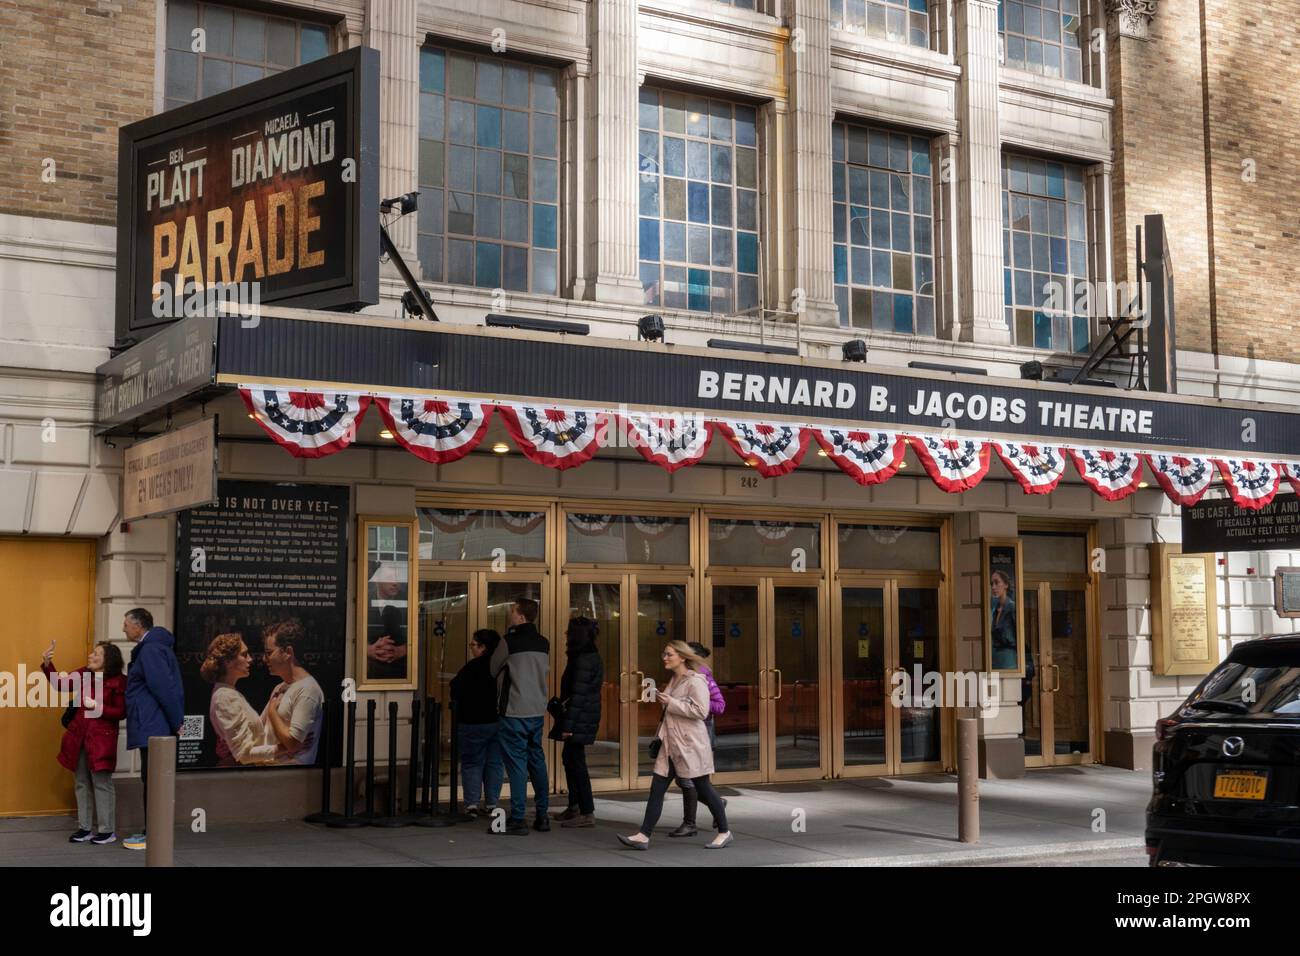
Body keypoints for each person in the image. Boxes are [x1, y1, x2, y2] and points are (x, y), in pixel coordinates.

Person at [619, 641, 733, 850]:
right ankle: (643, 835)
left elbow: (701, 711)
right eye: (664, 653)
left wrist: (671, 702)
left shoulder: (695, 680)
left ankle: (724, 832)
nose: (664, 657)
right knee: (657, 789)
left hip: (690, 744)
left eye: (669, 654)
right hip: (671, 743)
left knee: (703, 788)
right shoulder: (675, 679)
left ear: (681, 657)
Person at [41, 640, 127, 845]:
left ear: (108, 660)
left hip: (101, 740)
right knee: (81, 782)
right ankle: (85, 827)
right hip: (78, 738)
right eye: (92, 653)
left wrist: (98, 705)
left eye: (97, 654)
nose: (91, 656)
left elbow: (121, 712)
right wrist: (47, 663)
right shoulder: (84, 674)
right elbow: (59, 684)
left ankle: (107, 831)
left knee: (101, 783)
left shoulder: (120, 681)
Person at [122, 608, 184, 852]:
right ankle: (152, 832)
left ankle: (153, 834)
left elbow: (163, 688)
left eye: (126, 624)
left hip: (154, 727)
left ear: (139, 626)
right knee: (152, 780)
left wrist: (177, 721)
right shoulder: (154, 648)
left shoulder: (150, 650)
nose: (124, 629)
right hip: (155, 723)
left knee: (153, 781)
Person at [489, 597, 550, 835]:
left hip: (513, 710)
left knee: (516, 765)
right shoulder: (543, 642)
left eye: (512, 611)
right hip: (536, 709)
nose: (509, 614)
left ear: (521, 616)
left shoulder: (509, 641)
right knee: (537, 761)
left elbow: (493, 669)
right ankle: (542, 816)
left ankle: (518, 817)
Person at [666, 640, 727, 838]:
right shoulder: (679, 677)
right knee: (688, 779)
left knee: (689, 779)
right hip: (682, 730)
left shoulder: (702, 678)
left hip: (700, 731)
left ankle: (690, 822)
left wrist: (696, 703)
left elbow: (719, 705)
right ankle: (715, 802)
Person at [548, 617, 603, 829]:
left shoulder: (583, 659)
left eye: (568, 631)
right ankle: (575, 806)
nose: (565, 635)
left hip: (579, 718)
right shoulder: (588, 656)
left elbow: (578, 695)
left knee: (576, 763)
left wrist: (568, 726)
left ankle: (586, 811)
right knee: (570, 759)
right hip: (581, 716)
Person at [450, 629, 504, 817]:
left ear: (483, 647)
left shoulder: (472, 667)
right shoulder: (500, 667)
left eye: (473, 645)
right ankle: (492, 804)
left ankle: (472, 804)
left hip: (471, 722)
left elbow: (455, 689)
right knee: (494, 763)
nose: (471, 648)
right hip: (496, 722)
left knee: (472, 763)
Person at [201, 633, 278, 767]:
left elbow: (252, 730)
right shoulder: (224, 697)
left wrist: (272, 706)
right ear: (228, 661)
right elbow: (244, 754)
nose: (250, 659)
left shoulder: (229, 692)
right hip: (241, 777)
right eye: (244, 654)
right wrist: (285, 748)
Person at [261, 620, 324, 765]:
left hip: (288, 777)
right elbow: (259, 727)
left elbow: (293, 744)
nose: (265, 659)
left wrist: (272, 712)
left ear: (288, 652)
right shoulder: (280, 687)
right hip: (269, 773)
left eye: (269, 653)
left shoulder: (308, 690)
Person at [366, 562, 409, 681]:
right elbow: (349, 636)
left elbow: (421, 635)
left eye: (398, 579)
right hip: (368, 672)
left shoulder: (409, 600)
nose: (395, 583)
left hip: (403, 673)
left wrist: (403, 649)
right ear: (377, 581)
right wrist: (368, 650)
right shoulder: (362, 599)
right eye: (389, 578)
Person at [990, 569, 1018, 670]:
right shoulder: (995, 609)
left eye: (997, 583)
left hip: (1008, 660)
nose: (993, 587)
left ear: (1005, 585)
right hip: (995, 660)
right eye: (992, 584)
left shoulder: (1012, 607)